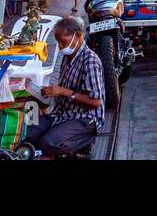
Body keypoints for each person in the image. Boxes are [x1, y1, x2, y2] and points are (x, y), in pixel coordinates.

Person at [25, 16, 104, 157]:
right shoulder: (68, 58)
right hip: (63, 113)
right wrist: (48, 94)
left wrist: (63, 91)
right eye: (58, 42)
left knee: (48, 143)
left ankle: (84, 143)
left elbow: (96, 102)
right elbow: (62, 91)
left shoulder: (90, 61)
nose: (61, 46)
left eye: (63, 42)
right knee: (29, 133)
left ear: (78, 36)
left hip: (85, 118)